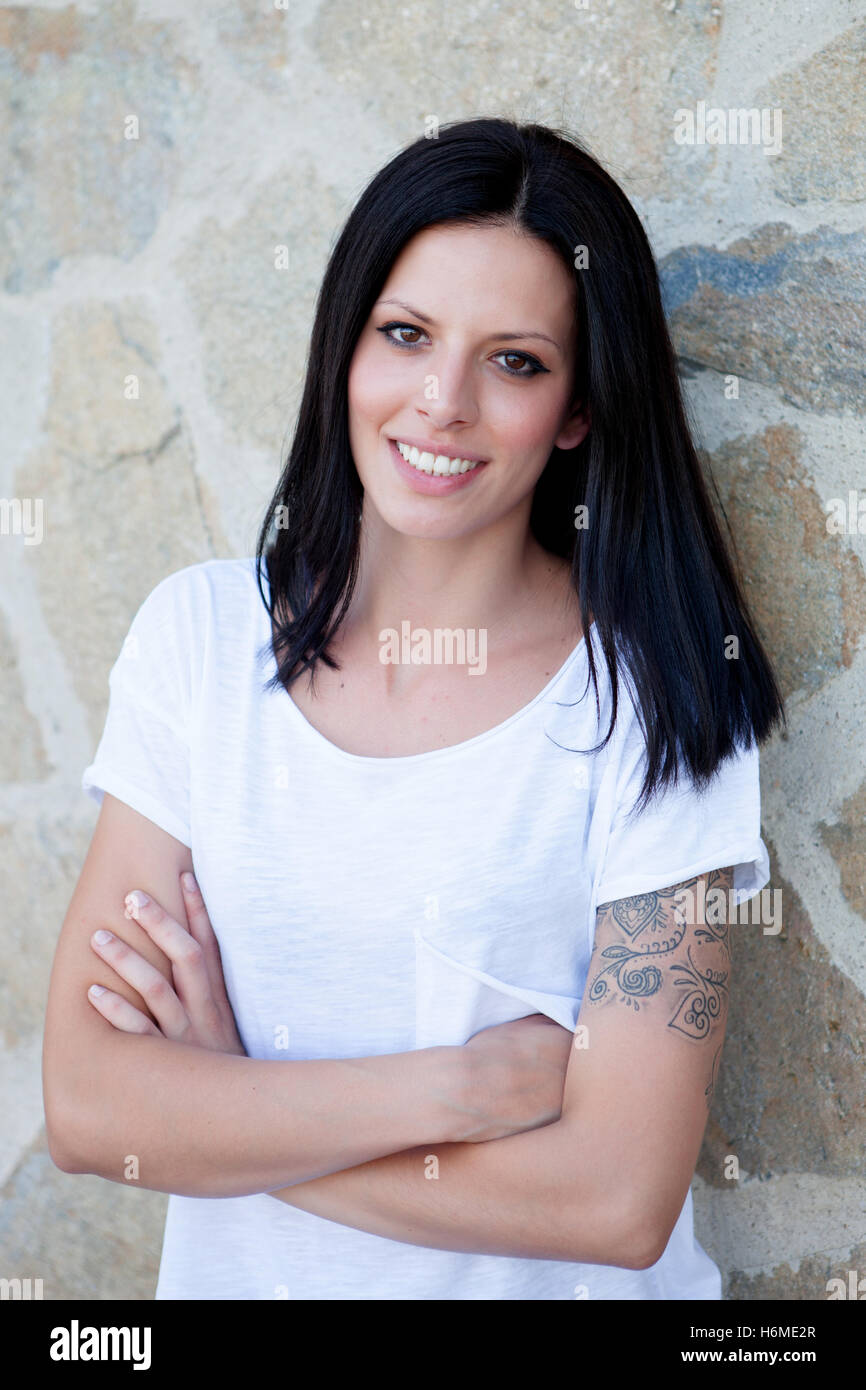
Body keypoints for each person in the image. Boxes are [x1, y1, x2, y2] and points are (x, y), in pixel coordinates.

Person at [43, 117, 785, 1300]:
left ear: (579, 408)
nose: (440, 402)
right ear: (346, 347)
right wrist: (460, 1091)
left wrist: (223, 1103)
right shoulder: (198, 645)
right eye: (404, 335)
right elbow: (87, 1106)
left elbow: (615, 1200)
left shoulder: (659, 698)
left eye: (514, 362)